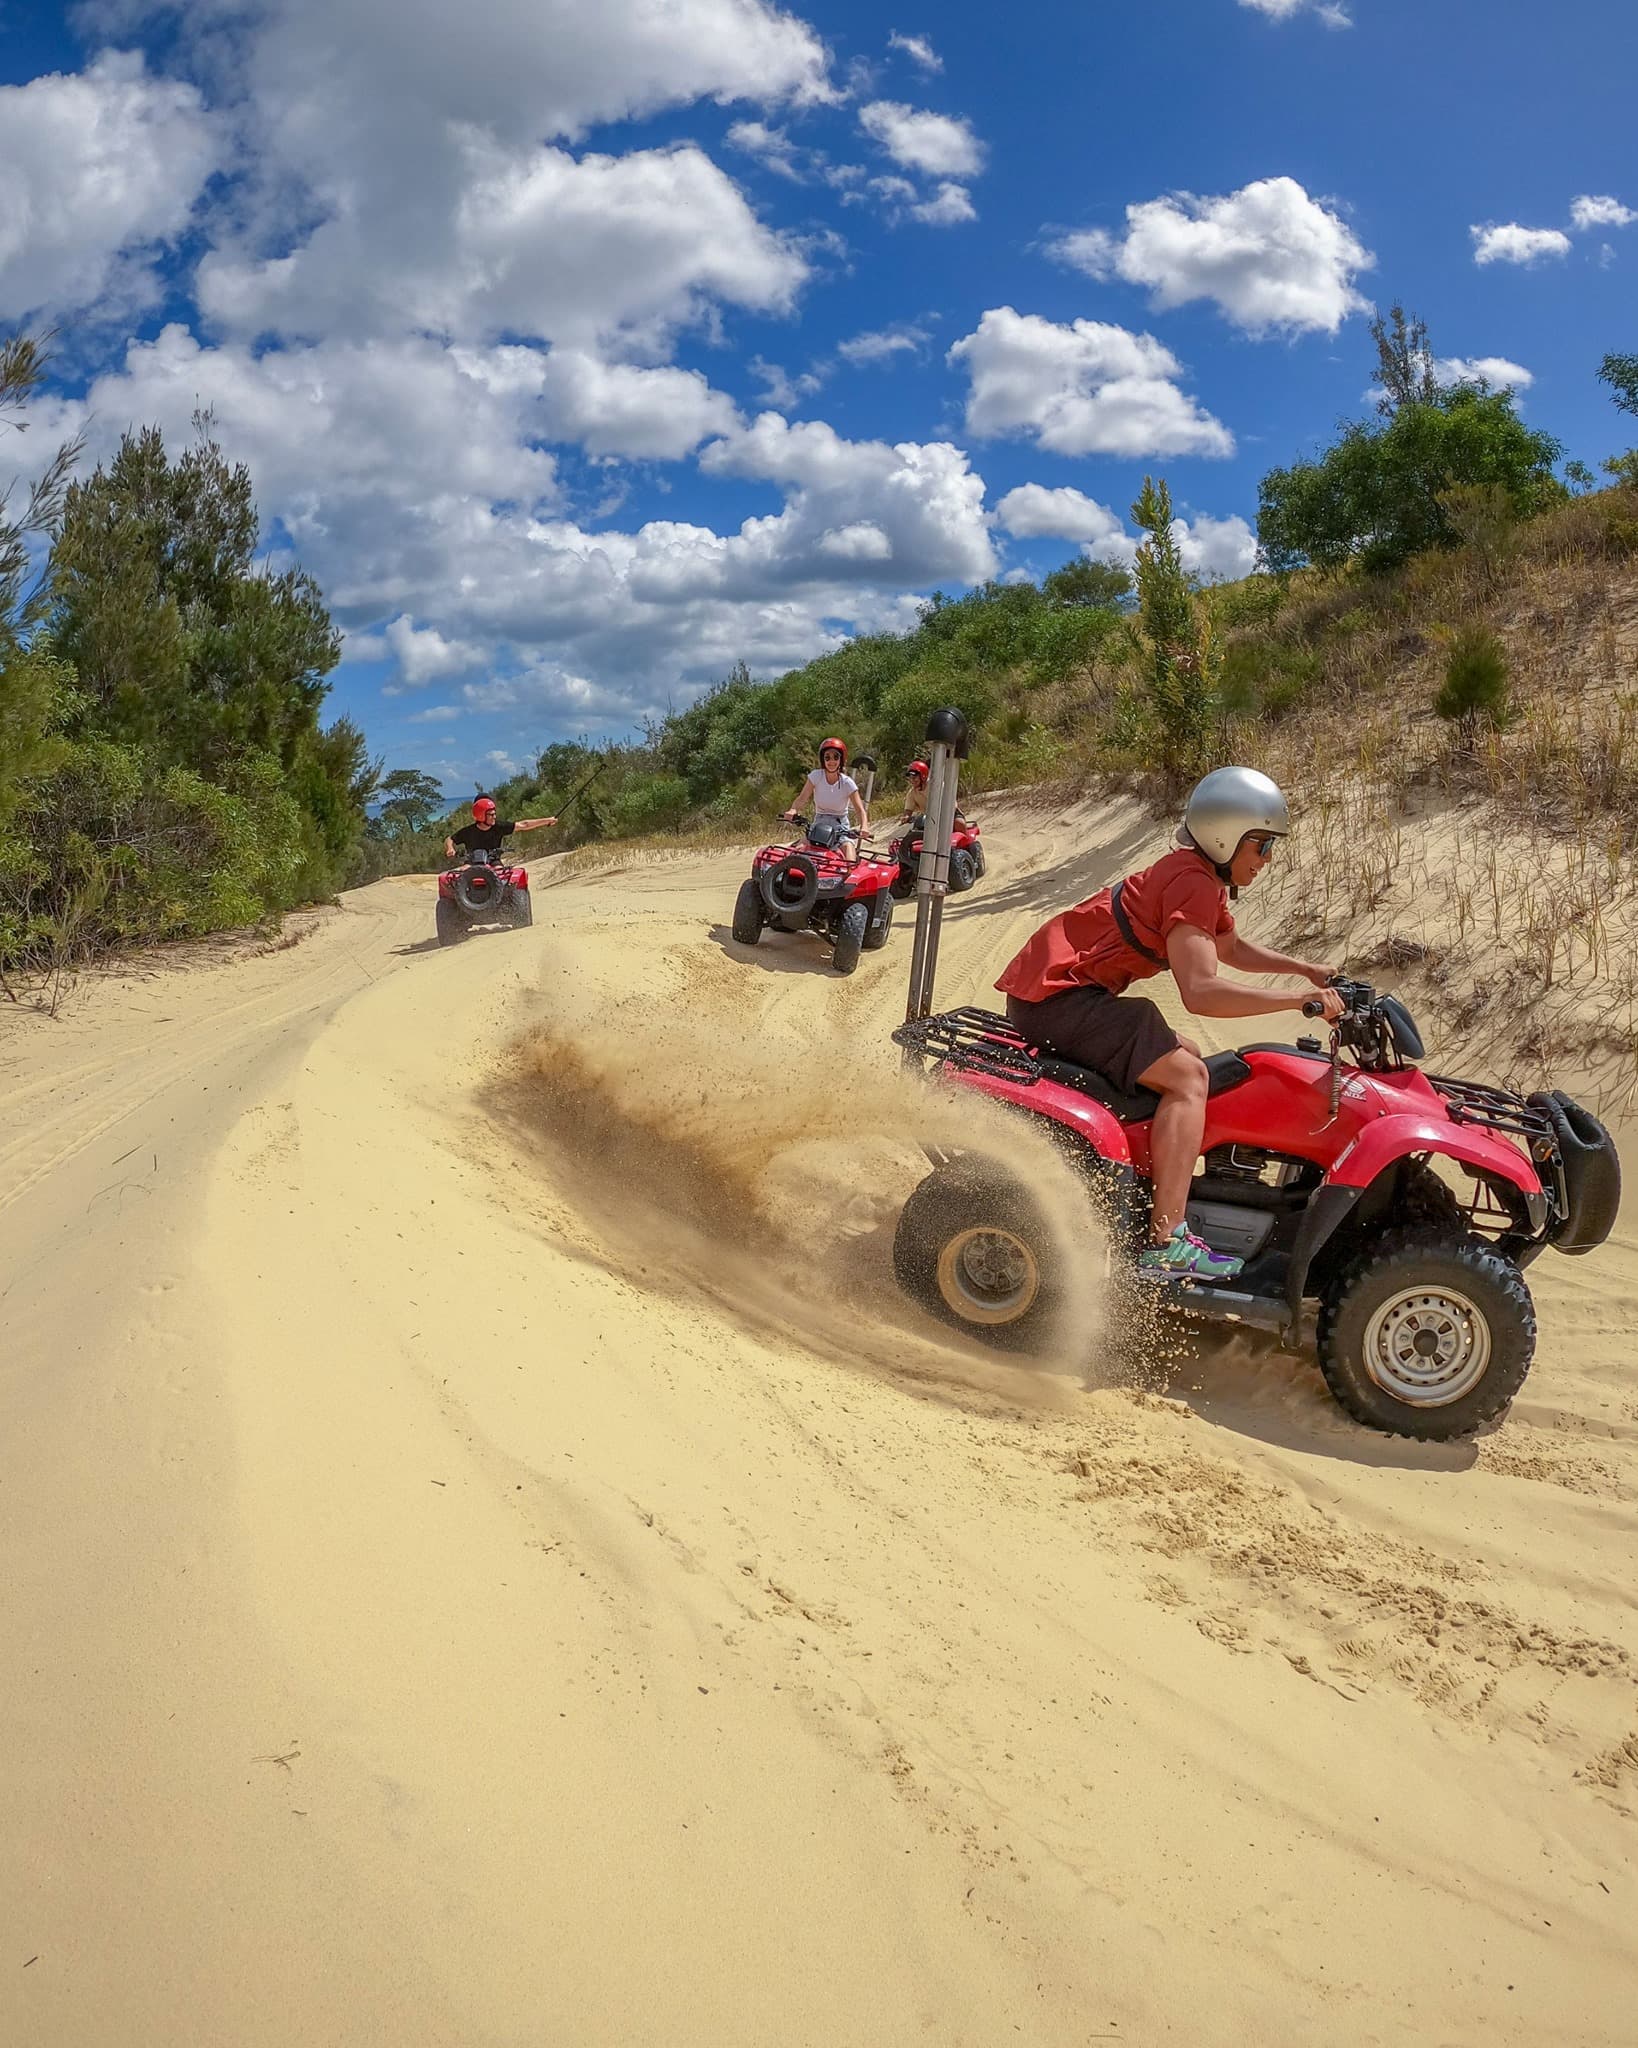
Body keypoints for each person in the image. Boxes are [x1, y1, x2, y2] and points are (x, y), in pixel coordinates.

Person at [995, 766, 1345, 1282]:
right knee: (1189, 1077)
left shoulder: (1200, 877)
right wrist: (1299, 1001)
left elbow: (1226, 947)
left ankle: (1145, 1184)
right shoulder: (1192, 881)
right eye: (1262, 846)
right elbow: (1200, 991)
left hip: (1058, 995)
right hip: (1059, 998)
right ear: (1226, 837)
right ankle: (1167, 1241)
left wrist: (1304, 969)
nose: (1266, 860)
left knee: (1182, 1050)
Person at [783, 738, 869, 845]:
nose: (831, 761)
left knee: (848, 850)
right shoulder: (816, 776)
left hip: (840, 827)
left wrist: (864, 826)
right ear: (823, 760)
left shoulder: (847, 782)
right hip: (819, 823)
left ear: (841, 760)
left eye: (835, 757)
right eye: (827, 758)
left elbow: (860, 810)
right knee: (800, 848)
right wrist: (793, 810)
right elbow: (802, 798)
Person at [445, 794, 558, 861]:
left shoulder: (499, 827)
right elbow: (450, 839)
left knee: (502, 877)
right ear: (481, 815)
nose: (494, 817)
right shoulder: (468, 831)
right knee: (458, 877)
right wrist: (450, 848)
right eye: (491, 814)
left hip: (494, 862)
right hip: (472, 863)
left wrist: (548, 820)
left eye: (495, 814)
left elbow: (524, 825)